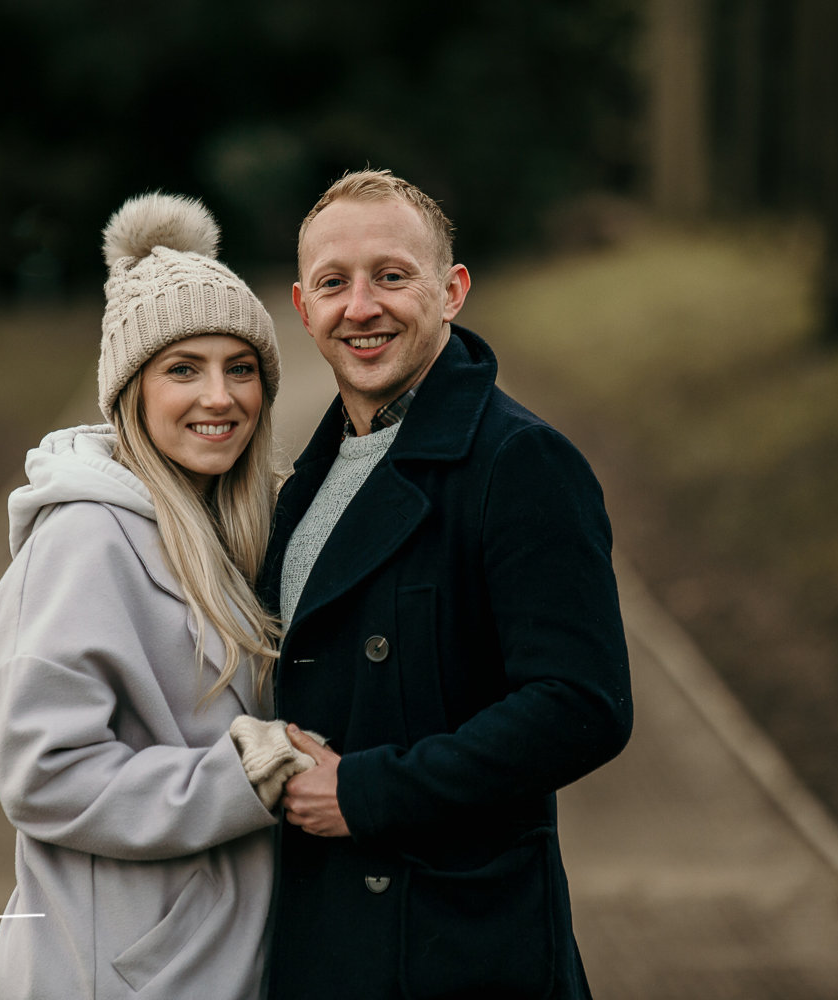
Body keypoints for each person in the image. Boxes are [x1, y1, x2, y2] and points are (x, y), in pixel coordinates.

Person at [262, 169, 634, 999]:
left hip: (458, 942)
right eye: (334, 283)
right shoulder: (305, 482)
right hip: (324, 937)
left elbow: (583, 704)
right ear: (303, 307)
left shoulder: (519, 461)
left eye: (391, 276)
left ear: (452, 291)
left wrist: (369, 791)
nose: (361, 307)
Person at [0, 192, 302, 999]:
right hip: (122, 969)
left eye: (241, 368)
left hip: (216, 958)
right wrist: (241, 779)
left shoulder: (235, 526)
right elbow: (45, 775)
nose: (220, 397)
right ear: (132, 390)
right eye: (183, 369)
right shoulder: (85, 539)